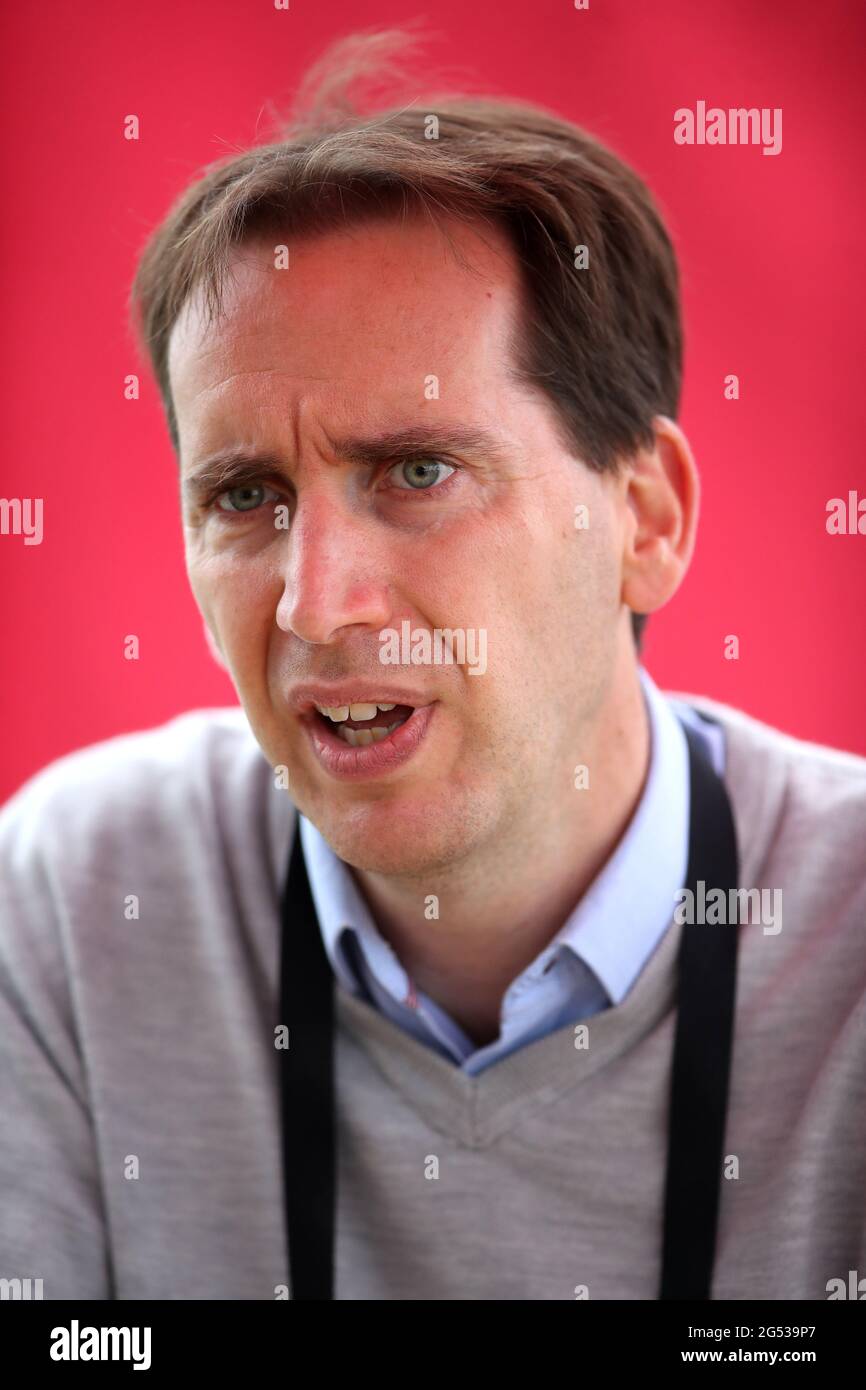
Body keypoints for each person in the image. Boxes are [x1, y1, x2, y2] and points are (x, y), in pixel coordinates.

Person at [1, 30, 864, 1302]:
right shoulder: (78, 900)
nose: (315, 602)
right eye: (246, 494)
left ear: (646, 519)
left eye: (416, 471)